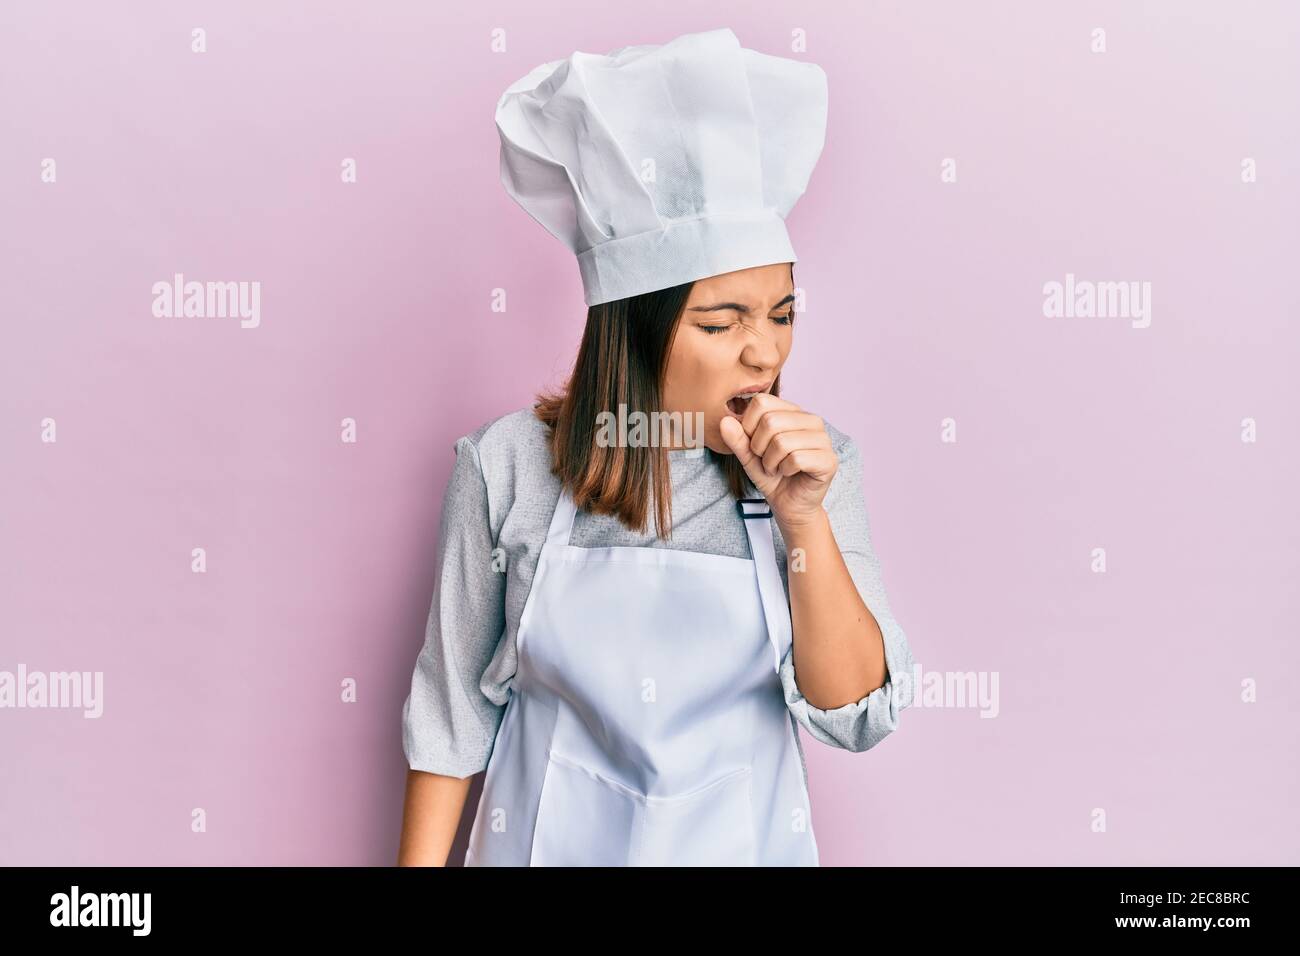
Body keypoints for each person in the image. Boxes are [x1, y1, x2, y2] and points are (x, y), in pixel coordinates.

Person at [397, 27, 917, 867]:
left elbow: (856, 711)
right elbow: (452, 717)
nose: (767, 353)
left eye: (783, 314)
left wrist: (804, 523)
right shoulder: (506, 467)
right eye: (724, 321)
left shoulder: (820, 470)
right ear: (634, 332)